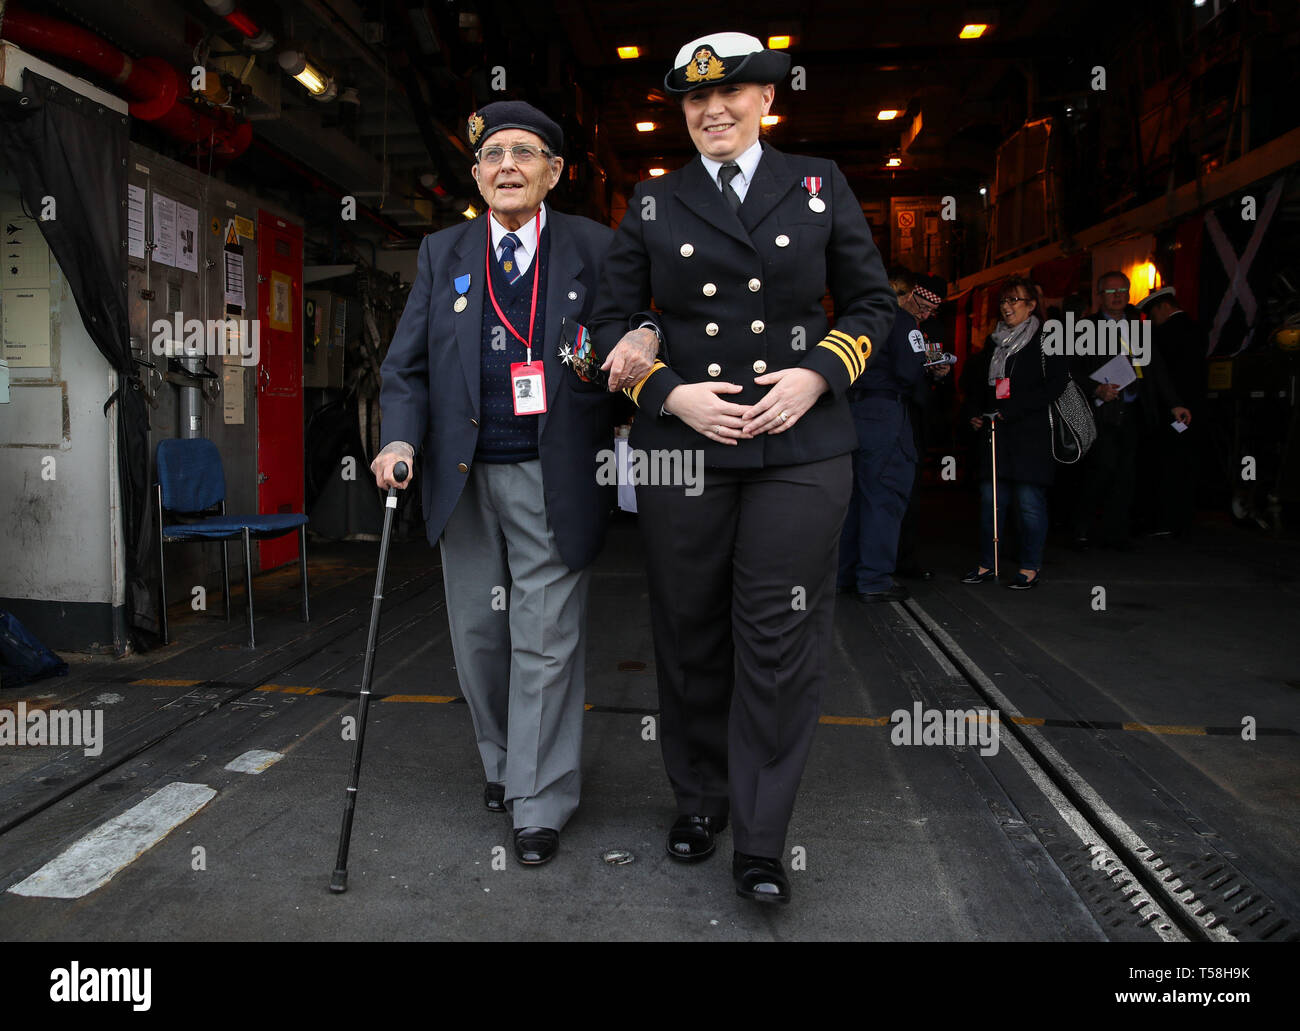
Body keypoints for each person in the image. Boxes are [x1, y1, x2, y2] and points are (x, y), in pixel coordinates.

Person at [590, 32, 895, 904]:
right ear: (681, 111)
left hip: (798, 445)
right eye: (694, 100)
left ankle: (761, 839)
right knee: (688, 631)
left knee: (776, 638)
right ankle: (699, 797)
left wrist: (821, 370)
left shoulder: (818, 182)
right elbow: (601, 325)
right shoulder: (654, 202)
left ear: (769, 99)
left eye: (733, 94)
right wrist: (666, 390)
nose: (713, 110)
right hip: (688, 446)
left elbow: (873, 302)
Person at [371, 101, 656, 866]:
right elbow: (406, 368)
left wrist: (647, 334)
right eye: (493, 154)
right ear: (475, 175)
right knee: (480, 636)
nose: (506, 165)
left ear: (553, 173)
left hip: (550, 472)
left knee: (547, 638)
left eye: (524, 153)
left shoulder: (595, 248)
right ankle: (502, 761)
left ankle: (541, 797)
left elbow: (643, 322)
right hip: (461, 478)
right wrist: (398, 438)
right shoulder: (443, 253)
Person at [837, 267, 940, 601]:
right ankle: (875, 579)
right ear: (908, 294)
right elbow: (910, 373)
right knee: (885, 496)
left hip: (853, 413)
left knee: (855, 498)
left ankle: (845, 574)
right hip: (886, 414)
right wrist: (932, 374)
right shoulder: (903, 323)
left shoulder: (857, 318)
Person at [1068, 271, 1190, 550]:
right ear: (1100, 295)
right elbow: (1070, 370)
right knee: (1102, 469)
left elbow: (1156, 369)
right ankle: (1082, 528)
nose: (1117, 296)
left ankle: (1116, 533)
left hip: (1134, 410)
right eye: (1111, 291)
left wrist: (1175, 403)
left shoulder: (1139, 327)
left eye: (1122, 290)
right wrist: (1096, 388)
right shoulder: (1085, 328)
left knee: (1126, 473)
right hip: (1102, 410)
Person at [960, 275, 1068, 588]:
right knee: (989, 503)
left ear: (1032, 305)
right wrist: (974, 414)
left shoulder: (1047, 338)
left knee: (1029, 503)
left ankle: (1030, 565)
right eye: (1004, 301)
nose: (1007, 307)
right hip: (995, 435)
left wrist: (1013, 410)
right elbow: (979, 388)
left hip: (1029, 435)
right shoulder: (994, 341)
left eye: (1015, 301)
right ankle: (986, 563)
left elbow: (1057, 384)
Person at [894, 273, 953, 581]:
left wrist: (939, 373)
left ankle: (905, 558)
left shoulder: (932, 329)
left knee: (912, 489)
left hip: (917, 415)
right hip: (892, 410)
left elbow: (935, 373)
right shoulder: (892, 321)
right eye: (924, 307)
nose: (927, 314)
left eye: (933, 311)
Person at [1136, 286, 1205, 536]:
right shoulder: (1197, 329)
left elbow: (1158, 376)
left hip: (1169, 410)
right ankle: (1183, 519)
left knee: (1164, 466)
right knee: (1187, 465)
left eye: (1152, 315)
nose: (1151, 321)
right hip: (1195, 408)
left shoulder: (1161, 335)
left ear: (1163, 307)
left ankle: (1162, 520)